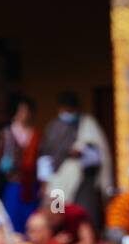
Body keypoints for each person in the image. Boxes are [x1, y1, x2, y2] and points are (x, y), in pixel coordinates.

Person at [38, 91, 112, 225]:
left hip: (82, 179)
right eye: (65, 109)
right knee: (56, 212)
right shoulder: (52, 127)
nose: (67, 113)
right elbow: (45, 156)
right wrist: (44, 182)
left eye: (70, 110)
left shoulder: (87, 123)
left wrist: (82, 152)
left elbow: (98, 155)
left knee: (81, 215)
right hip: (57, 180)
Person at [0, 96, 40, 233]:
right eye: (21, 110)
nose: (24, 114)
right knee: (12, 219)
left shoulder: (35, 134)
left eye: (27, 111)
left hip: (32, 184)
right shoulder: (6, 134)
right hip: (14, 183)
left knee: (32, 218)